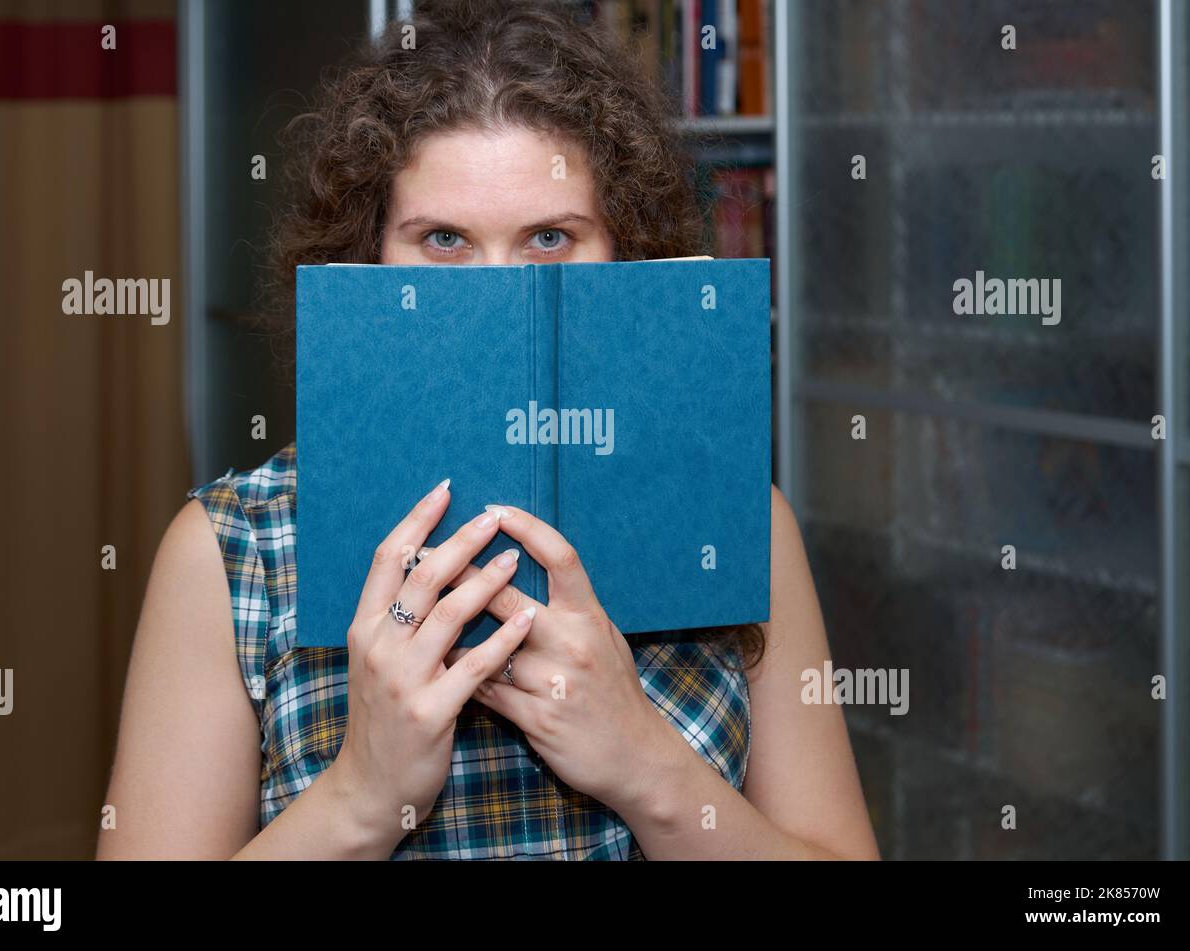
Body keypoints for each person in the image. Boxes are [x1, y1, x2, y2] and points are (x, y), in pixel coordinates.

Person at [98, 0, 879, 860]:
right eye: (442, 239)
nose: (499, 297)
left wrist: (647, 767)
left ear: (626, 255)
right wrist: (363, 794)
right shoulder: (231, 551)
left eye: (550, 237)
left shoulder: (740, 523)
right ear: (367, 260)